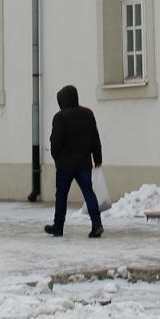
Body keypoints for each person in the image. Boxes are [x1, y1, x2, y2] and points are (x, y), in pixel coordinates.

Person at [44, 85, 103, 239]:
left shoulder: (60, 117)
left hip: (65, 166)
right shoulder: (88, 114)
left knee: (61, 196)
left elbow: (56, 141)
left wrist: (55, 156)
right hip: (84, 163)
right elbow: (95, 137)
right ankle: (97, 224)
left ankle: (58, 227)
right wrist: (97, 157)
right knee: (89, 193)